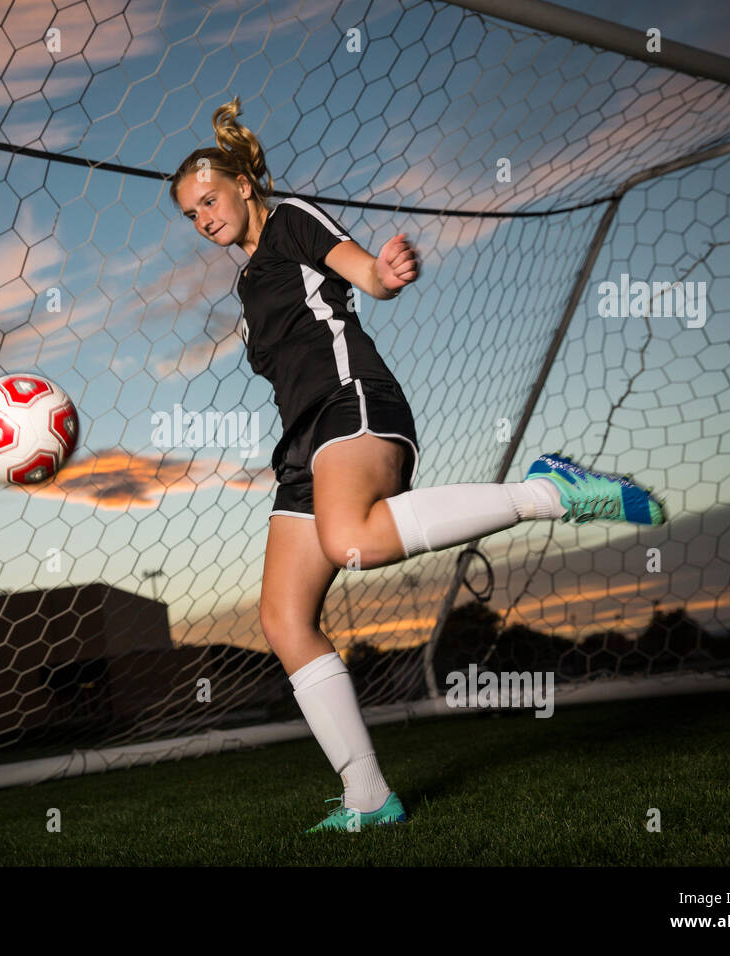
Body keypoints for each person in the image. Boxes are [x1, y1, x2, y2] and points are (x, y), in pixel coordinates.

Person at [169, 97, 665, 833]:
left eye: (209, 200)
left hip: (355, 406)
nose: (204, 218)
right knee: (283, 618)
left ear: (243, 183)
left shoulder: (291, 219)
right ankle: (368, 797)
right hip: (301, 444)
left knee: (355, 541)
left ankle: (547, 492)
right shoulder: (245, 285)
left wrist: (384, 272)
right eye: (190, 214)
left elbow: (363, 274)